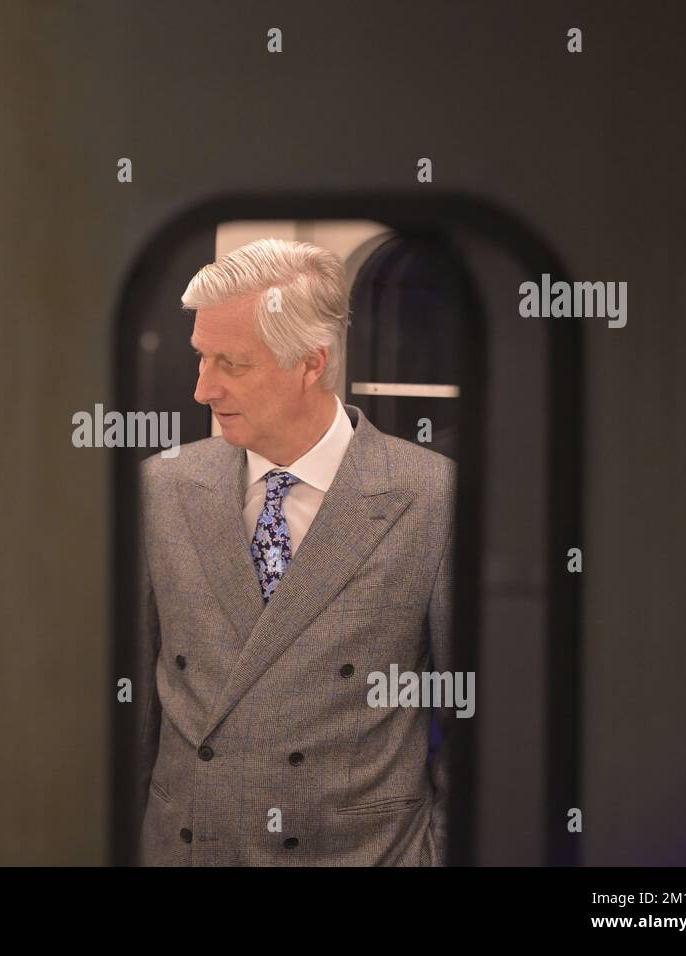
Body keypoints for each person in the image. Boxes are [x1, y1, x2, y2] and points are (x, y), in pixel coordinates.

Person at [136, 238, 456, 865]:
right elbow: (131, 709)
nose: (203, 388)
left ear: (312, 363)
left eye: (233, 363)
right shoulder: (162, 487)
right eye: (201, 357)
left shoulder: (430, 496)